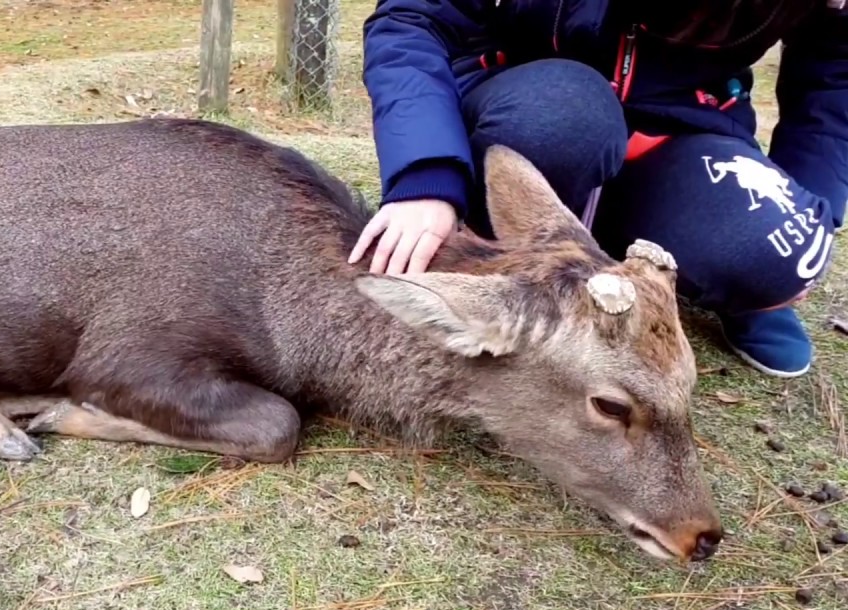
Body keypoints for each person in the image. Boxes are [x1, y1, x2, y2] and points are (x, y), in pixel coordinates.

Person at [350, 0, 846, 378]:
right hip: (531, 101)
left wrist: (807, 206)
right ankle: (492, 260)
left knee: (773, 252)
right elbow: (413, 20)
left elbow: (833, 85)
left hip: (683, 126)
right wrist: (425, 174)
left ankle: (732, 279)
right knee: (562, 120)